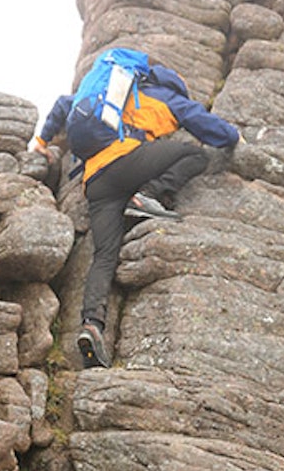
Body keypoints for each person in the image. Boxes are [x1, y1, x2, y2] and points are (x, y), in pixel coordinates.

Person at [34, 56, 241, 369]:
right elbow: (209, 126)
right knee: (194, 155)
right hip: (127, 162)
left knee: (105, 255)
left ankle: (92, 325)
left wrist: (41, 140)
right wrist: (235, 138)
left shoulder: (117, 92)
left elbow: (64, 104)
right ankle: (148, 196)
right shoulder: (171, 99)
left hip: (96, 182)